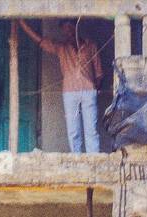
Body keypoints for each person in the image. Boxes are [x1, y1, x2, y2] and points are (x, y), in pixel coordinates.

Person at [20, 19, 103, 153]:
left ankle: (94, 162)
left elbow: (99, 72)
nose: (68, 30)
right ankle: (78, 162)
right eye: (65, 28)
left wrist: (96, 88)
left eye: (70, 26)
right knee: (73, 131)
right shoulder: (61, 48)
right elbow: (40, 40)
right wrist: (22, 23)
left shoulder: (91, 45)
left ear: (76, 26)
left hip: (89, 92)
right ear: (63, 31)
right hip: (70, 93)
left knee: (91, 131)